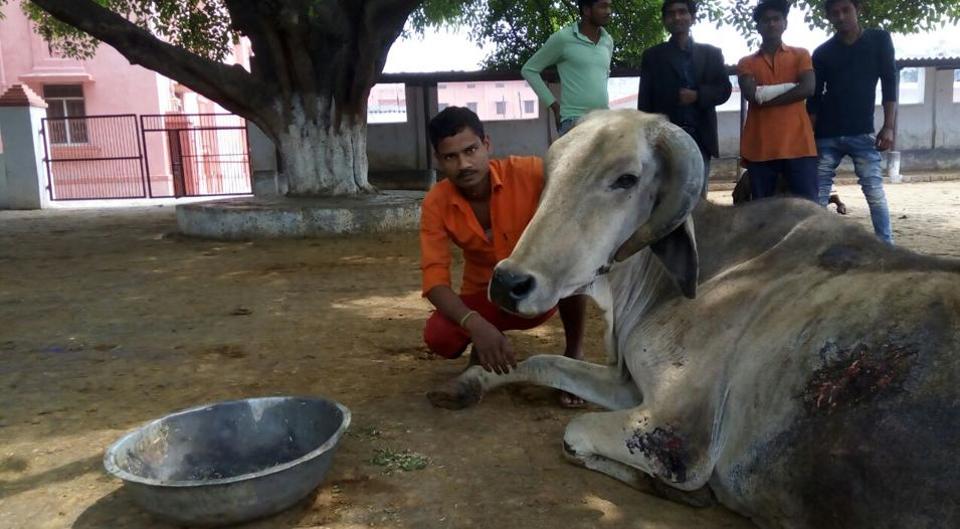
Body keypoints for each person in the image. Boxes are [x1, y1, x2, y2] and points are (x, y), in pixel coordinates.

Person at [420, 107, 587, 407]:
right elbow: (434, 281)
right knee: (439, 335)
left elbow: (579, 186)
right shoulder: (436, 202)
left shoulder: (532, 173)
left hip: (537, 291)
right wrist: (476, 324)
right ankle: (482, 351)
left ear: (487, 144)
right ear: (438, 160)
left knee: (571, 254)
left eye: (471, 150)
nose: (464, 164)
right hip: (485, 296)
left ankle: (574, 355)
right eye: (451, 157)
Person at [808, 0, 896, 244]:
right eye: (834, 12)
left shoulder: (879, 40)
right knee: (818, 196)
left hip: (863, 132)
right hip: (826, 134)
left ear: (858, 9)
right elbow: (814, 98)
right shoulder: (822, 53)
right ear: (828, 17)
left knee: (875, 192)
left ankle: (886, 247)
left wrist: (889, 126)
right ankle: (815, 247)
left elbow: (889, 83)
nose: (841, 16)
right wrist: (809, 135)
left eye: (846, 10)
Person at [638, 0, 732, 197]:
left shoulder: (711, 54)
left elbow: (724, 90)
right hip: (664, 142)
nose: (677, 17)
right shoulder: (653, 56)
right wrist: (647, 142)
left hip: (701, 139)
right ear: (665, 20)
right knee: (665, 199)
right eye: (671, 13)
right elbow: (645, 103)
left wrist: (698, 96)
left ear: (692, 17)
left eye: (682, 12)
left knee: (698, 200)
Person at [736, 0, 819, 202]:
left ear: (785, 23)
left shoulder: (801, 55)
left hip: (799, 145)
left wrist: (764, 97)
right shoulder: (746, 62)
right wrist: (792, 88)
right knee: (764, 211)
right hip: (760, 147)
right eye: (766, 20)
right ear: (758, 27)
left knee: (807, 208)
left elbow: (808, 89)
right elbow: (752, 95)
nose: (771, 24)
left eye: (776, 19)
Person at [521, 0, 614, 136]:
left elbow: (604, 76)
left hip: (604, 120)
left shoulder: (608, 41)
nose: (608, 11)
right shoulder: (563, 39)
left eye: (609, 6)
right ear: (586, 10)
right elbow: (529, 70)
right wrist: (555, 107)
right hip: (574, 122)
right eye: (603, 6)